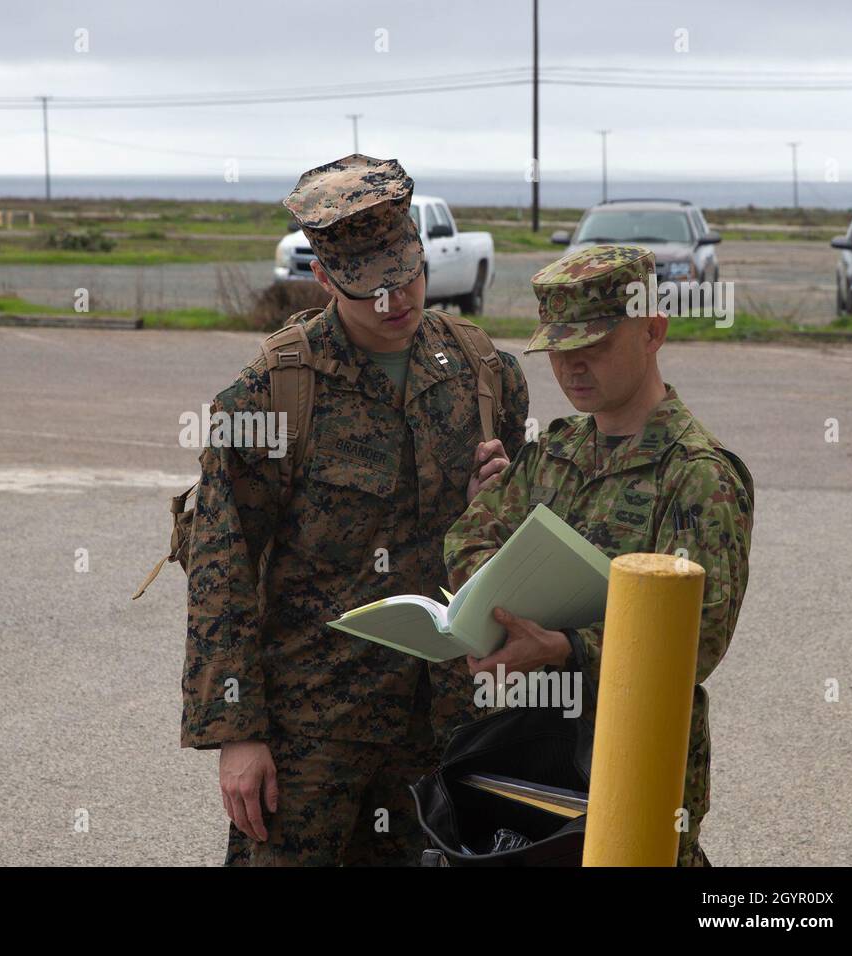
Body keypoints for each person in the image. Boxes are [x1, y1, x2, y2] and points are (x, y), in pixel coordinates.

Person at [181, 154, 530, 865]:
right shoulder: (270, 396)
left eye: (407, 277)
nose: (395, 302)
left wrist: (496, 509)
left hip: (441, 728)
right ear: (324, 277)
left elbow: (515, 551)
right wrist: (237, 734)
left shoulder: (484, 375)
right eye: (369, 288)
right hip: (312, 731)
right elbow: (221, 569)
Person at [442, 244, 754, 866]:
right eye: (559, 350)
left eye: (596, 347)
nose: (573, 367)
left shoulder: (697, 475)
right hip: (533, 755)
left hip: (637, 768)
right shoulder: (555, 452)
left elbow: (698, 639)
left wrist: (566, 646)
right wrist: (498, 612)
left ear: (653, 332)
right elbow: (468, 537)